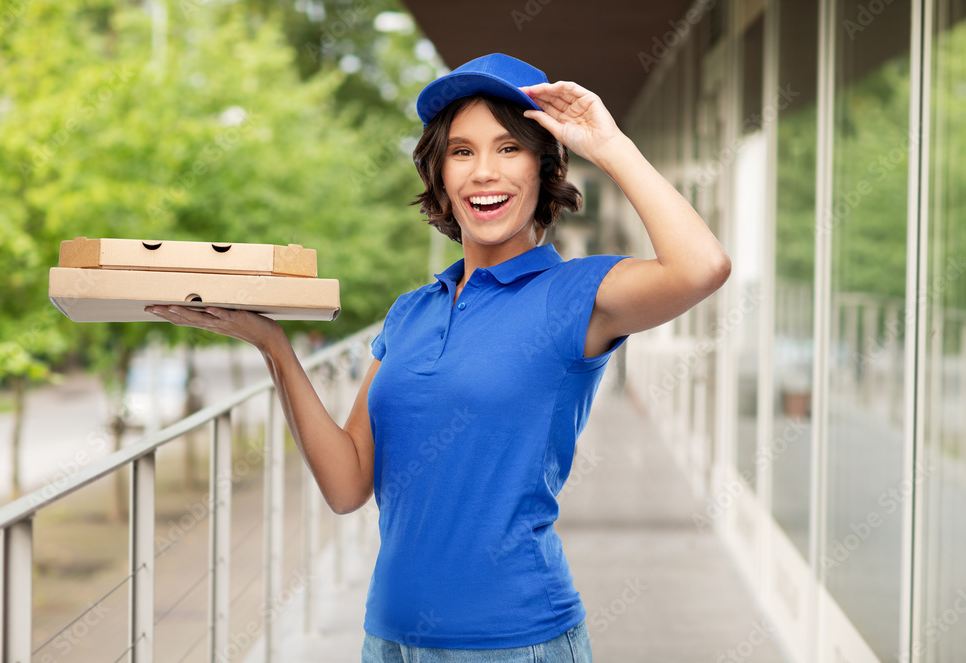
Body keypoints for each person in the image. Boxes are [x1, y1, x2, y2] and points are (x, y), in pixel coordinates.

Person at [146, 52, 730, 662]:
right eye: (461, 151)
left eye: (509, 149)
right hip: (390, 638)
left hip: (513, 642)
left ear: (545, 167)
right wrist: (273, 346)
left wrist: (607, 145)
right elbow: (347, 485)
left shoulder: (575, 296)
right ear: (440, 176)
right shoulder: (411, 312)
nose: (483, 172)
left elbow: (702, 267)